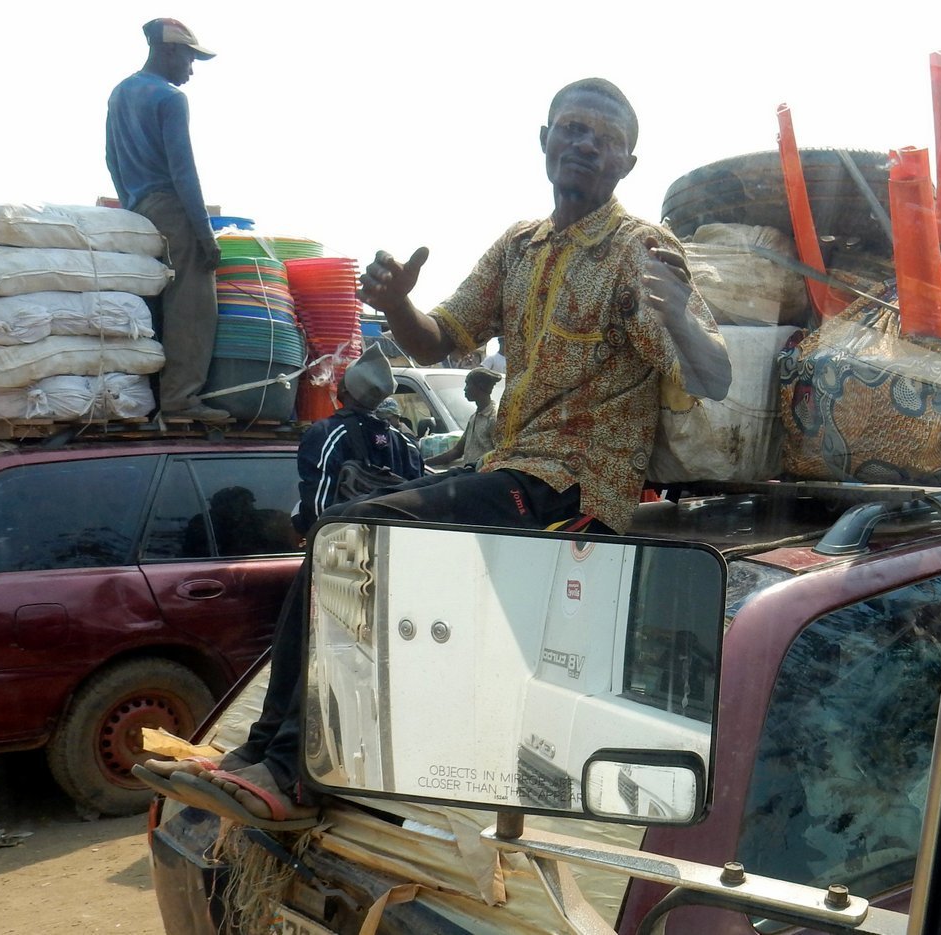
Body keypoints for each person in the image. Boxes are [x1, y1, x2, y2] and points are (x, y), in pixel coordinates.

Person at [137, 77, 731, 827]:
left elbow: (713, 378)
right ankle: (262, 753)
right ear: (542, 139)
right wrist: (394, 306)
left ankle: (294, 768)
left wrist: (680, 314)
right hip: (508, 468)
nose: (583, 144)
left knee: (356, 534)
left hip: (573, 484)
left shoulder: (637, 249)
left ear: (627, 163)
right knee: (336, 536)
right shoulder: (520, 245)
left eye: (602, 137)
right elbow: (438, 336)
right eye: (571, 128)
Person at [105, 18, 227, 424]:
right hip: (173, 208)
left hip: (138, 208)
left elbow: (111, 159)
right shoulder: (170, 98)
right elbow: (184, 173)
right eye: (190, 59)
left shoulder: (121, 93)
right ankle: (181, 399)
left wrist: (131, 203)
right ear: (170, 50)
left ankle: (153, 393)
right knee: (193, 306)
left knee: (153, 305)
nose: (191, 71)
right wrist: (204, 233)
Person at [292, 345, 425, 534]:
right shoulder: (406, 443)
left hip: (341, 555)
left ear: (345, 388)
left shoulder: (325, 433)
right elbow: (417, 504)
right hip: (394, 550)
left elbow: (319, 511)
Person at [425, 367, 501, 468]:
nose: (465, 389)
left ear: (480, 387)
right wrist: (424, 463)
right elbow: (457, 451)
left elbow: (501, 454)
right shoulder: (474, 417)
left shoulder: (494, 418)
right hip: (469, 473)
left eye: (468, 384)